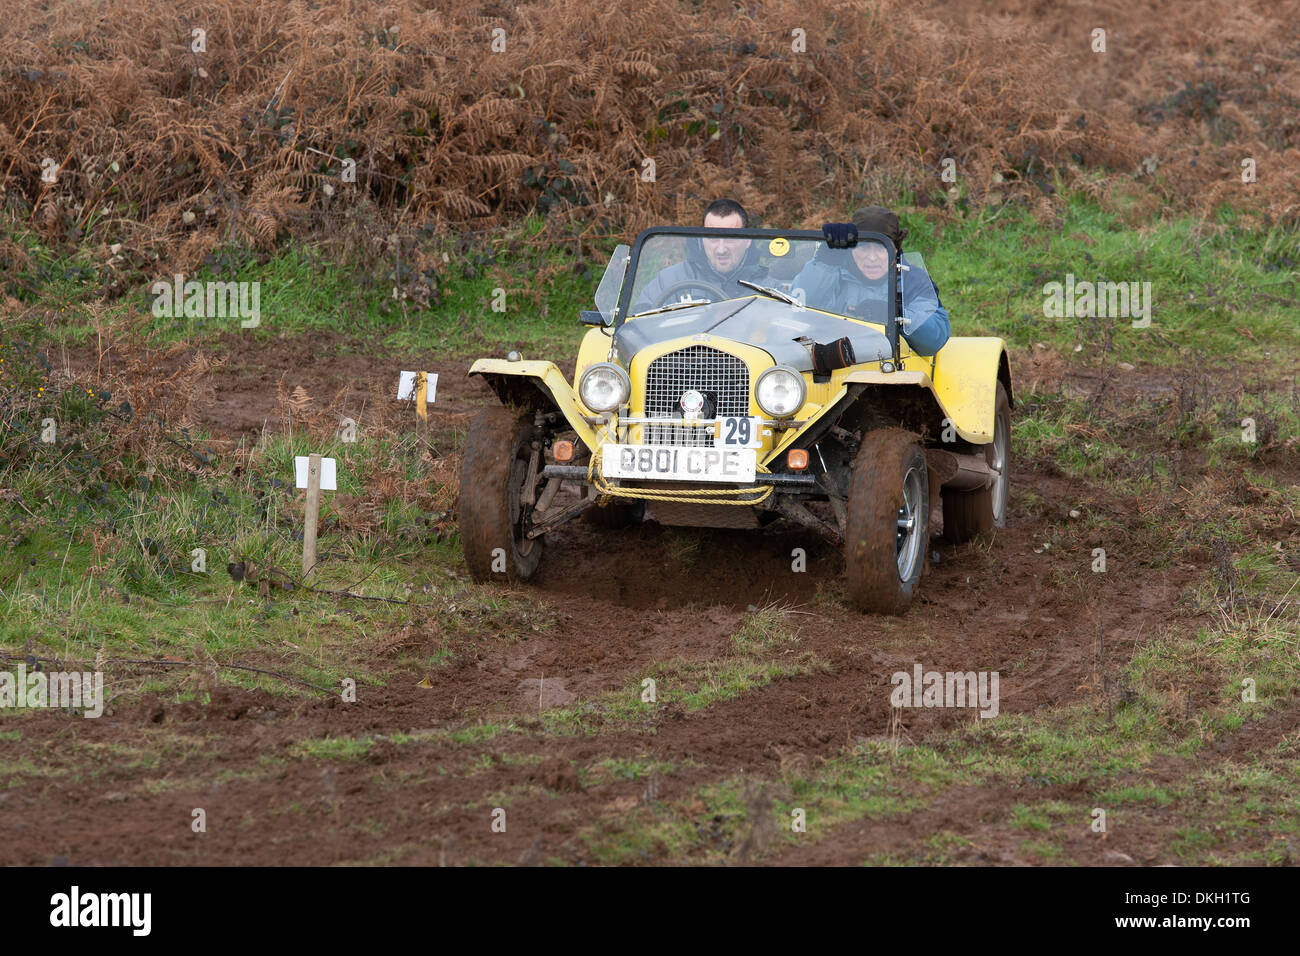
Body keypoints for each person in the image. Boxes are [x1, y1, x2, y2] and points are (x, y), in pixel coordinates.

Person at [791, 206, 950, 356]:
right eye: (864, 247)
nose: (872, 258)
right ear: (851, 248)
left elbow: (933, 341)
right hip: (832, 368)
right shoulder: (832, 272)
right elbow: (797, 311)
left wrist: (896, 314)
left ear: (895, 249)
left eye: (881, 248)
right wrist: (825, 261)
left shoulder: (913, 279)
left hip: (894, 373)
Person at [630, 199, 768, 313]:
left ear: (748, 240)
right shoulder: (668, 281)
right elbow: (639, 328)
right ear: (701, 239)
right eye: (713, 238)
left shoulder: (769, 290)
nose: (721, 250)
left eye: (730, 238)